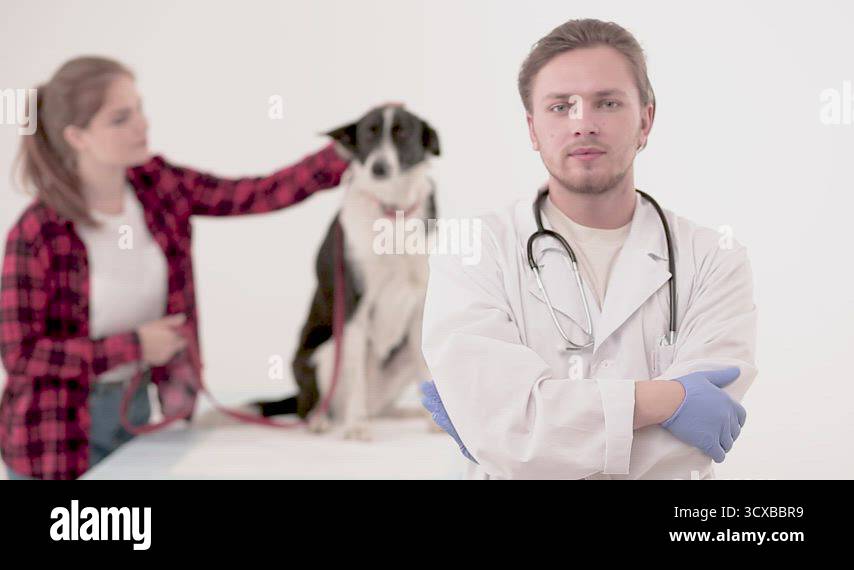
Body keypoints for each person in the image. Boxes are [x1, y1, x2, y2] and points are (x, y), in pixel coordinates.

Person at [419, 19, 757, 480]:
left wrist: (529, 430)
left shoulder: (714, 257)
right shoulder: (474, 249)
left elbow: (689, 449)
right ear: (533, 128)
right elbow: (505, 434)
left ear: (646, 120)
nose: (583, 124)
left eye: (608, 103)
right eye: (561, 106)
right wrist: (665, 400)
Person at [0, 56, 351, 480]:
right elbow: (21, 356)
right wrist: (134, 347)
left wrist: (342, 153)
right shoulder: (37, 232)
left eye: (140, 108)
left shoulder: (156, 185)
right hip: (55, 436)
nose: (141, 125)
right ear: (77, 137)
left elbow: (252, 194)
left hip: (140, 414)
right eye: (120, 118)